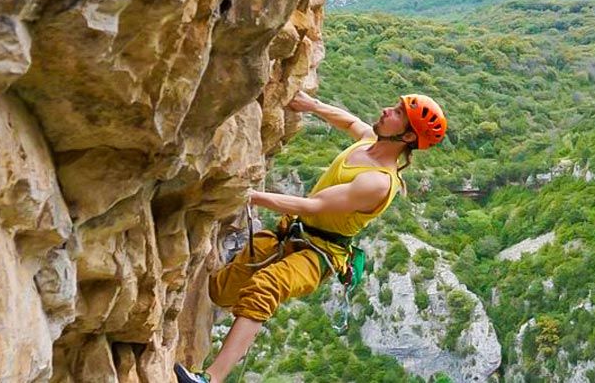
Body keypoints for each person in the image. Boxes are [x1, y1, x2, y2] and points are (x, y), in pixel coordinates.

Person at [174, 91, 447, 383]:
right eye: (394, 106)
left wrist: (249, 196)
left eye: (397, 114)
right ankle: (234, 270)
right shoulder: (369, 141)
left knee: (266, 287)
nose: (385, 110)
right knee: (220, 291)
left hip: (320, 254)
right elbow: (350, 122)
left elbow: (313, 205)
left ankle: (210, 379)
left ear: (406, 137)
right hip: (293, 231)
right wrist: (311, 105)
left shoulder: (378, 182)